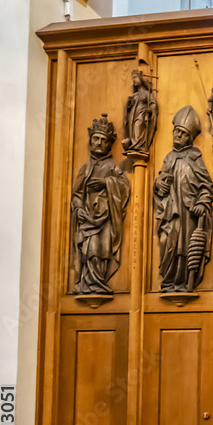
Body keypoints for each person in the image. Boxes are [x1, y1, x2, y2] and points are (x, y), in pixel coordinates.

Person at [153, 106, 213, 292]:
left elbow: (206, 186)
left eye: (183, 133)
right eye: (176, 131)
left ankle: (184, 282)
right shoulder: (168, 158)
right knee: (168, 243)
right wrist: (158, 184)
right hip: (171, 214)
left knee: (187, 248)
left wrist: (202, 203)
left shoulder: (195, 158)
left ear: (190, 138)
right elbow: (161, 180)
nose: (178, 136)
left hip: (189, 215)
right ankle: (170, 280)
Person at [71, 114, 130, 295]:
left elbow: (124, 188)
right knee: (89, 250)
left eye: (103, 140)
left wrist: (107, 183)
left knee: (100, 251)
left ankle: (98, 282)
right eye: (95, 138)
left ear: (109, 144)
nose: (98, 143)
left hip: (105, 220)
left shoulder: (113, 167)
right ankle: (87, 283)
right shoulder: (86, 169)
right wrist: (79, 209)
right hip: (87, 218)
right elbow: (77, 193)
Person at [121, 69, 157, 154]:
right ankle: (134, 144)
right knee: (133, 129)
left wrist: (150, 109)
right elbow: (129, 108)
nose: (133, 80)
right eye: (133, 79)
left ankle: (139, 146)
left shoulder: (147, 94)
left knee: (138, 126)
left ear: (141, 78)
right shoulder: (135, 95)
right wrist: (129, 103)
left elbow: (153, 104)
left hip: (142, 115)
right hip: (133, 115)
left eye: (135, 78)